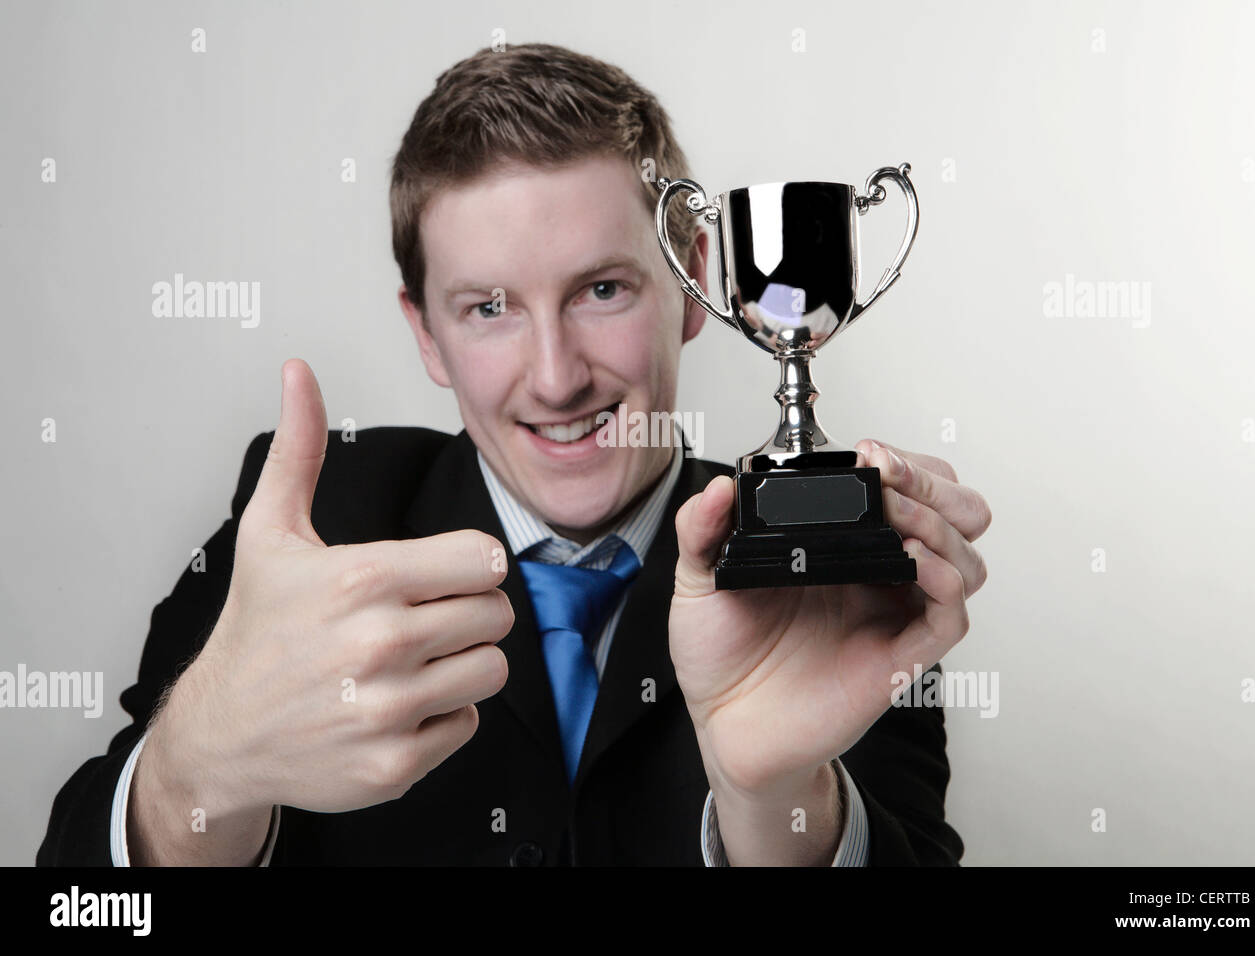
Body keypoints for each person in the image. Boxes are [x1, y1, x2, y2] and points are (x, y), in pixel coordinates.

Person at [37, 42, 990, 867]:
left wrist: (776, 797)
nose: (555, 377)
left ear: (695, 285)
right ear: (425, 333)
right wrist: (196, 764)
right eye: (488, 308)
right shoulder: (311, 532)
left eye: (602, 290)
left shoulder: (819, 571)